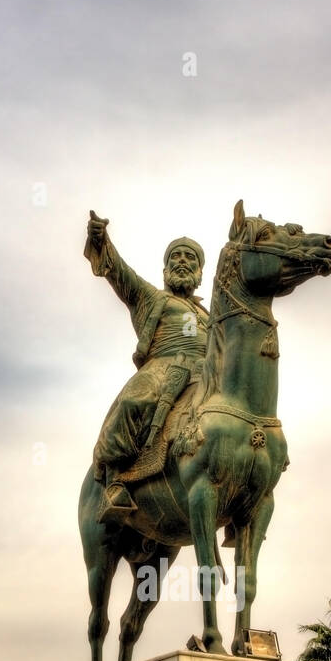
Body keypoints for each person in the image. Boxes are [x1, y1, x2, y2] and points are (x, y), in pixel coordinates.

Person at [85, 210, 209, 518]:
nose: (183, 261)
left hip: (206, 375)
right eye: (176, 257)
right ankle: (115, 478)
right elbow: (120, 273)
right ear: (165, 268)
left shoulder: (210, 315)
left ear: (200, 272)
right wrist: (102, 241)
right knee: (135, 400)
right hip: (164, 366)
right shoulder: (151, 298)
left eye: (190, 258)